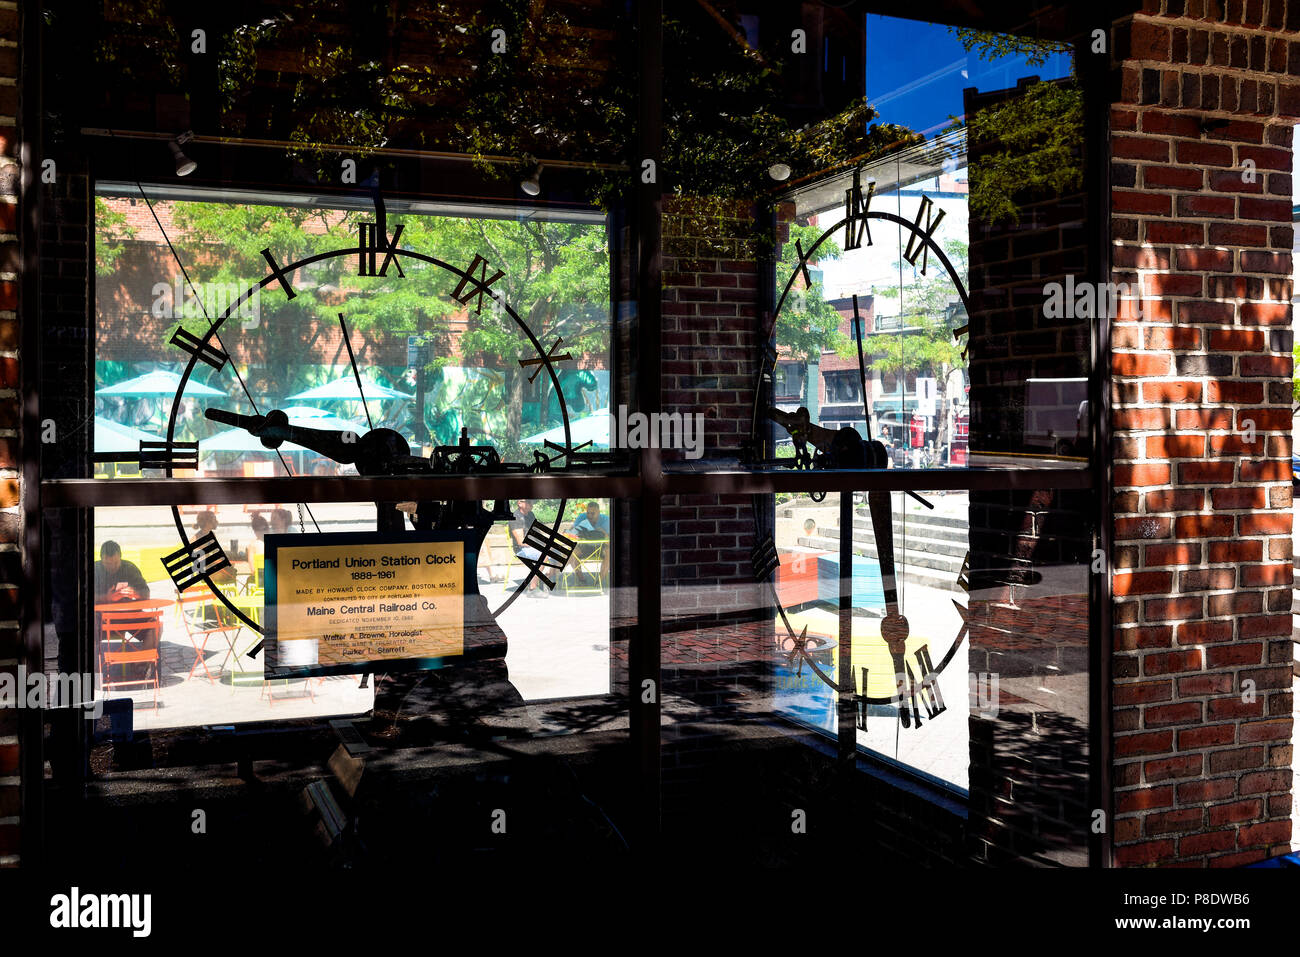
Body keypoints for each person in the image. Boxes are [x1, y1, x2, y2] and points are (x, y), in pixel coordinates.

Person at [93, 541, 158, 652]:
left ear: (121, 558)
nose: (112, 567)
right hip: (102, 618)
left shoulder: (129, 568)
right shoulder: (95, 569)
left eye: (116, 563)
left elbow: (146, 594)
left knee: (155, 626)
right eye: (108, 564)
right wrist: (106, 598)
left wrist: (136, 593)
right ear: (101, 559)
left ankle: (141, 665)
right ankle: (96, 663)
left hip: (129, 616)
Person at [566, 500, 610, 586]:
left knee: (609, 552)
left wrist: (603, 533)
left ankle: (599, 582)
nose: (589, 516)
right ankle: (581, 580)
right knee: (572, 551)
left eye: (592, 513)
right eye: (588, 513)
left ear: (598, 512)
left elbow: (608, 541)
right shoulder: (582, 517)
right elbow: (572, 532)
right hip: (584, 547)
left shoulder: (606, 520)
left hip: (599, 548)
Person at [508, 499, 546, 597]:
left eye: (531, 502)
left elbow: (538, 533)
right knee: (543, 557)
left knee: (559, 554)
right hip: (522, 549)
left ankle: (541, 579)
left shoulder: (530, 515)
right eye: (528, 502)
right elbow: (521, 542)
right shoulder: (515, 517)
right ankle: (532, 589)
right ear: (519, 503)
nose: (531, 504)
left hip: (533, 546)